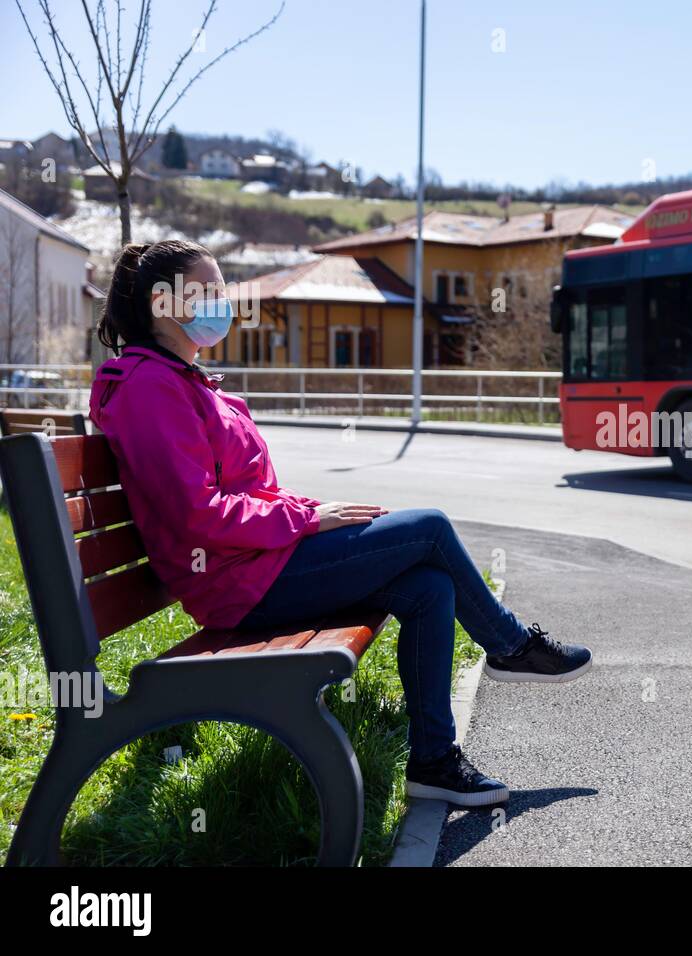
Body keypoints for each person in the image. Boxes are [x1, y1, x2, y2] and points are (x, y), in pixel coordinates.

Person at [89, 239, 591, 808]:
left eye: (221, 290)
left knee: (429, 586)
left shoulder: (185, 381)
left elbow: (249, 493)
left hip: (257, 565)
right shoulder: (150, 388)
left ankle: (434, 762)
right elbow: (197, 514)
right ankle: (511, 646)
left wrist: (310, 513)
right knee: (428, 527)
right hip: (234, 584)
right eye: (205, 291)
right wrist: (306, 519)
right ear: (161, 304)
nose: (222, 302)